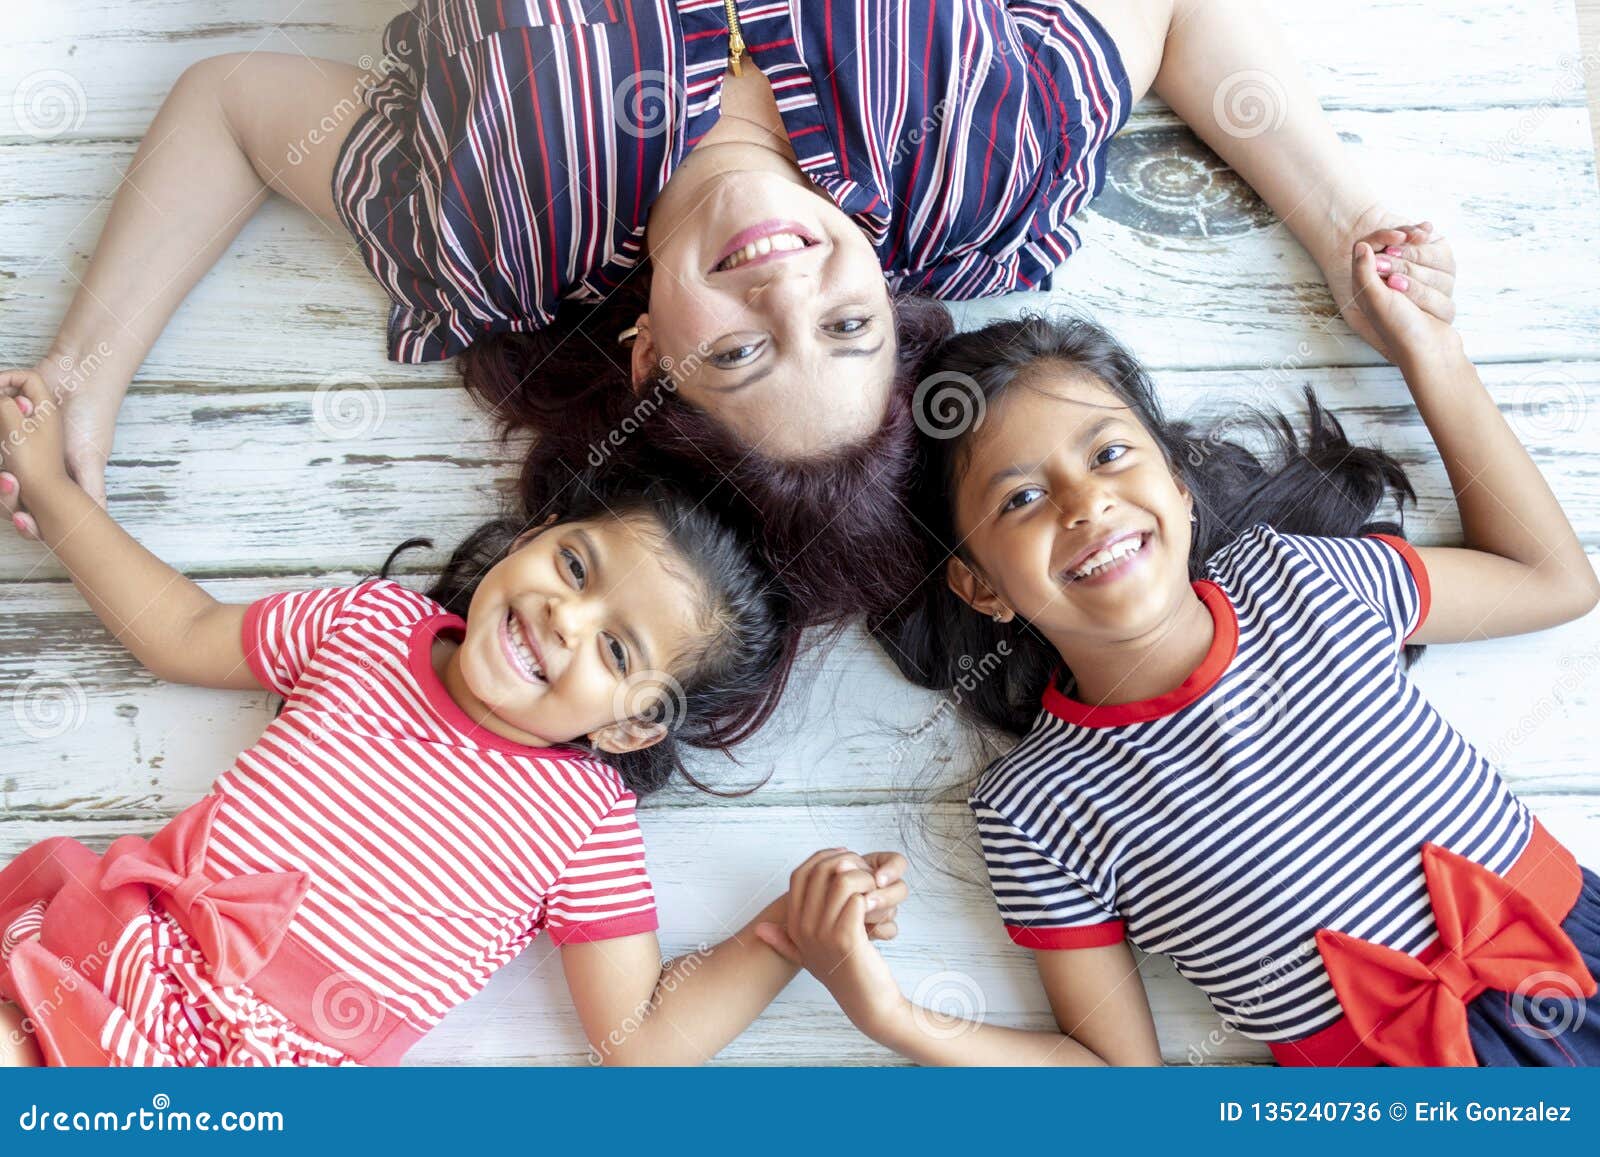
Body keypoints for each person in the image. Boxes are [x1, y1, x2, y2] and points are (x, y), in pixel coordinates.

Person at [2, 1, 1453, 626]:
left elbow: (233, 111)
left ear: (649, 356)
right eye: (844, 324)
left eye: (743, 348)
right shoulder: (972, 162)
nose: (783, 279)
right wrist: (1341, 224)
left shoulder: (493, 228)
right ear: (893, 293)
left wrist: (84, 372)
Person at [761, 244, 1600, 1066]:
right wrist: (892, 1014)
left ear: (1179, 489)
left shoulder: (1302, 574)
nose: (1086, 502)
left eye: (1110, 453)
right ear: (983, 587)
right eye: (1021, 497)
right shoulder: (1033, 811)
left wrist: (1427, 346)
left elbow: (1549, 577)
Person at [0, 372, 907, 1066]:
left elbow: (639, 1035)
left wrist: (786, 933)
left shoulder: (581, 820)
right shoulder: (369, 623)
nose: (565, 616)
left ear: (633, 728)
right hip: (118, 956)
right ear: (530, 537)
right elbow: (181, 631)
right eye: (578, 568)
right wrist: (50, 487)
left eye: (619, 653)